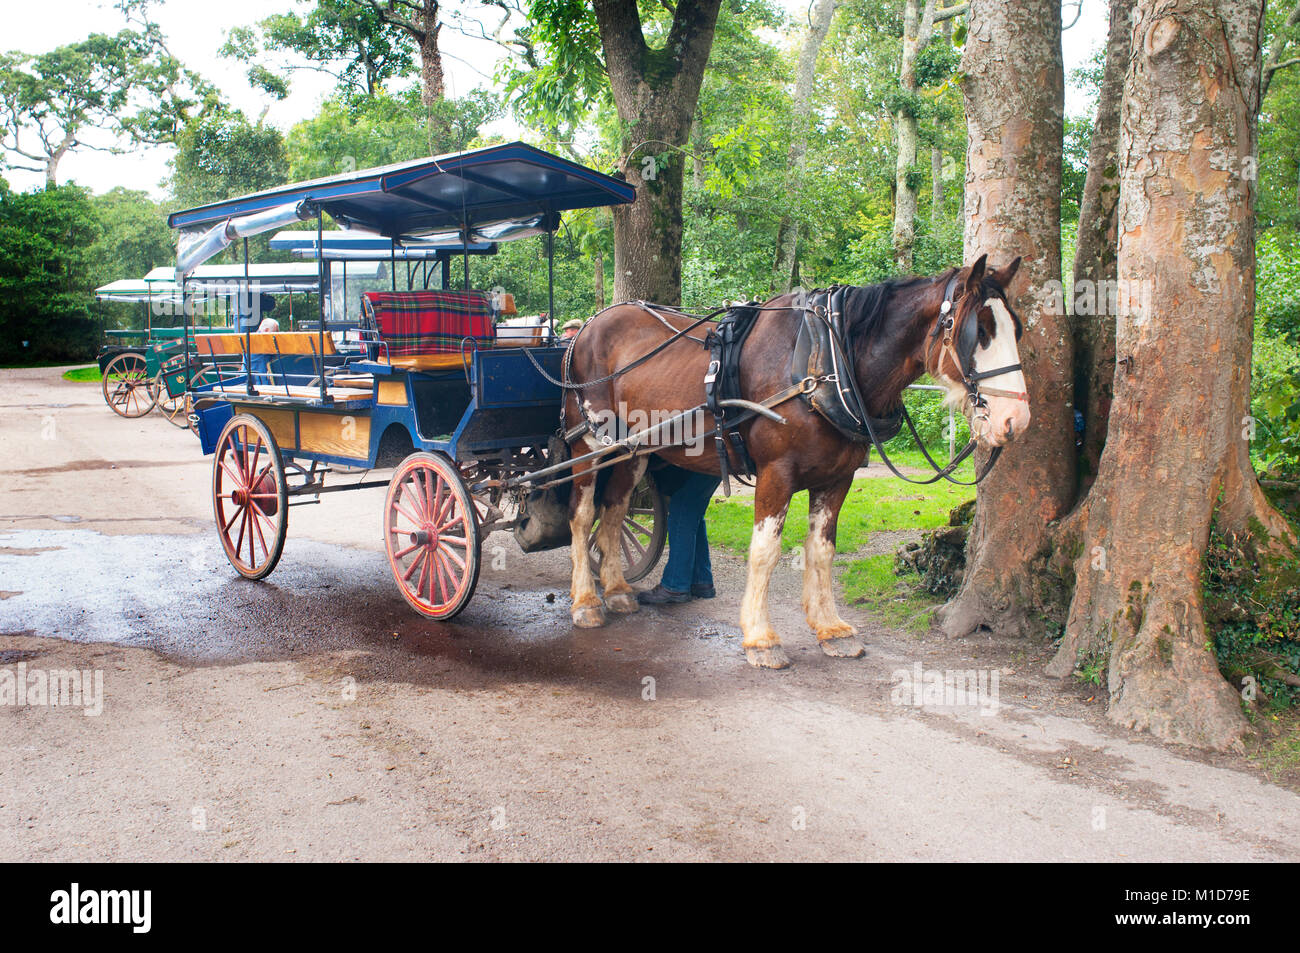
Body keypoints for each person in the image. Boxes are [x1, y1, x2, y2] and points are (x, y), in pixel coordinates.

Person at [637, 465, 720, 604]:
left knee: (682, 508)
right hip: (719, 462)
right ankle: (701, 581)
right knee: (694, 512)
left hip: (711, 458)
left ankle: (674, 586)